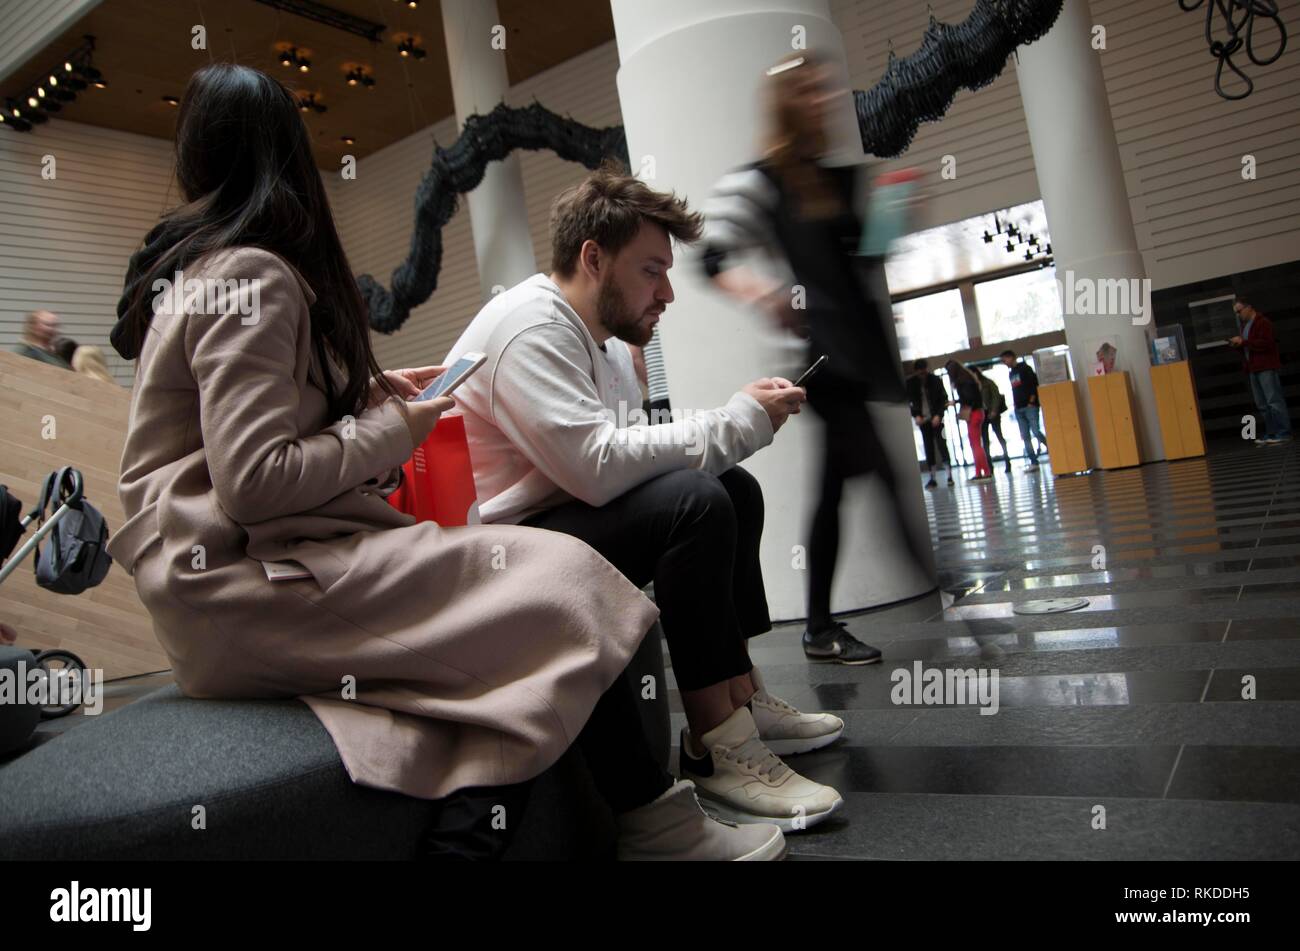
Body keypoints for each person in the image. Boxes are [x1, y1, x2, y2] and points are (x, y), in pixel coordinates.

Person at [106, 63, 784, 862]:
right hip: (253, 583)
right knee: (569, 590)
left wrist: (367, 393)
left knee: (569, 582)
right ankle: (648, 823)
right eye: (653, 269)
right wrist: (396, 427)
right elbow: (254, 481)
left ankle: (558, 815)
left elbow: (242, 428)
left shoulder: (204, 272)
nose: (663, 290)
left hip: (229, 582)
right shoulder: (255, 273)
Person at [443, 164, 845, 833]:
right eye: (652, 271)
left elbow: (622, 451)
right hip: (496, 555)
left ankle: (740, 693)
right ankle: (716, 744)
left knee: (730, 487)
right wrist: (734, 421)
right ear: (593, 258)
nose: (668, 293)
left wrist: (736, 421)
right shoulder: (530, 327)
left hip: (551, 519)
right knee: (696, 500)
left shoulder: (598, 339)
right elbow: (597, 467)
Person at [700, 51, 932, 668]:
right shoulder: (761, 181)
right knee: (879, 477)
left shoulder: (834, 178)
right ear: (785, 105)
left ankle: (823, 626)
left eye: (825, 91)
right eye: (808, 93)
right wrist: (764, 294)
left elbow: (861, 260)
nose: (823, 101)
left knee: (836, 490)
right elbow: (710, 257)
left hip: (856, 353)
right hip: (826, 362)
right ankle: (921, 606)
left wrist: (893, 215)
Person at [1230, 294, 1291, 445]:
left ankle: (1283, 432)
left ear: (1249, 307)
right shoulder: (1245, 327)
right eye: (1236, 312)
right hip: (1253, 368)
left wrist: (1243, 342)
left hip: (1266, 367)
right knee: (1262, 404)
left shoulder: (1263, 323)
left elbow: (1265, 344)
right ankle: (1271, 432)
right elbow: (1249, 347)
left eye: (1239, 311)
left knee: (1273, 400)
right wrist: (1239, 345)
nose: (1238, 315)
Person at [907, 358, 954, 488]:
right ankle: (932, 477)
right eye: (920, 372)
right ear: (916, 371)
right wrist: (916, 415)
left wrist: (938, 415)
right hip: (923, 420)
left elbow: (943, 399)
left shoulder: (935, 380)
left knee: (942, 444)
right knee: (928, 447)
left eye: (924, 371)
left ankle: (949, 475)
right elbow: (910, 401)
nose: (922, 374)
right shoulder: (911, 383)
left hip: (937, 418)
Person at [946, 361, 992, 483]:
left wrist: (956, 402)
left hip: (973, 414)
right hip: (978, 412)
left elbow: (968, 399)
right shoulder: (969, 378)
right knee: (976, 443)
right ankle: (982, 471)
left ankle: (983, 472)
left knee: (975, 444)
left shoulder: (962, 382)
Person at [1001, 349, 1045, 469]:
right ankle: (1033, 461)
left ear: (1011, 357)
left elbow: (1033, 385)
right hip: (1019, 407)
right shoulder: (1011, 373)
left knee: (1036, 431)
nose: (1005, 362)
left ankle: (1052, 451)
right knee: (1025, 436)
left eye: (1005, 360)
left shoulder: (1025, 369)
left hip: (1030, 405)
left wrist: (1032, 401)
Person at [971, 364, 1011, 474]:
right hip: (981, 414)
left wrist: (994, 410)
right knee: (985, 441)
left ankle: (1007, 462)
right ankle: (989, 466)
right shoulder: (972, 387)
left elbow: (996, 396)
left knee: (999, 436)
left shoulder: (987, 383)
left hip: (992, 412)